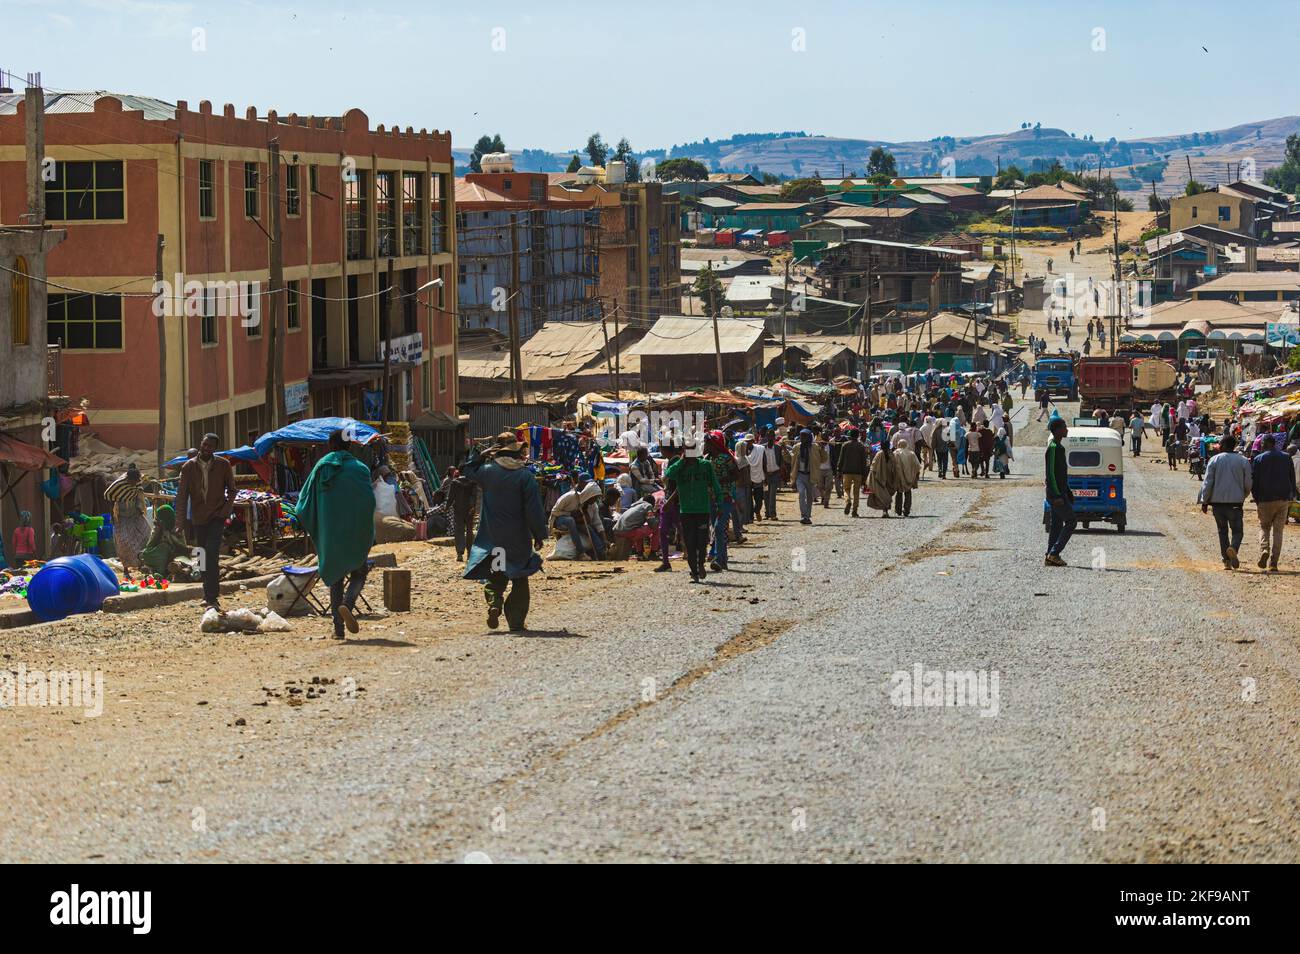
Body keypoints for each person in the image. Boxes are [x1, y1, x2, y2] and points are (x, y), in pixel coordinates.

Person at [296, 430, 377, 638]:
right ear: (350, 446)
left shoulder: (322, 468)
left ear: (330, 445)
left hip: (331, 533)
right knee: (359, 572)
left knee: (335, 578)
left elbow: (303, 503)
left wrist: (317, 523)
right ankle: (348, 605)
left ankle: (338, 630)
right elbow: (369, 502)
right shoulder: (361, 469)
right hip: (355, 531)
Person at [462, 432, 547, 630]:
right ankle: (516, 621)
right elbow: (533, 509)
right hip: (518, 539)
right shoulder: (525, 476)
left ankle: (494, 604)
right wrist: (539, 535)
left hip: (493, 538)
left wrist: (481, 454)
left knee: (497, 573)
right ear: (517, 454)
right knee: (519, 577)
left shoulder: (487, 471)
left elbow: (468, 470)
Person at [175, 433, 238, 610]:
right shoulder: (188, 467)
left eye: (210, 446)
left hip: (216, 517)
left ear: (215, 448)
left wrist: (224, 512)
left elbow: (232, 490)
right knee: (201, 556)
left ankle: (212, 597)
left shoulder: (223, 465)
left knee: (211, 555)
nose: (206, 448)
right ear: (200, 444)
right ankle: (206, 592)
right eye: (204, 444)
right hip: (198, 518)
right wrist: (179, 521)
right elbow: (181, 496)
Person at [664, 439, 722, 583]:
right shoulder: (679, 467)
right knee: (689, 543)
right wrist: (682, 461)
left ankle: (700, 564)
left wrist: (720, 503)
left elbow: (715, 484)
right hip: (686, 510)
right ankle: (694, 571)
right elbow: (669, 474)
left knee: (701, 542)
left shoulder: (705, 465)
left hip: (702, 509)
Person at [1199, 435, 1252, 571]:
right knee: (1238, 531)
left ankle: (1226, 561)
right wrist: (1242, 496)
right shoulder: (1243, 461)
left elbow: (1207, 482)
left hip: (1217, 504)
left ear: (1224, 445)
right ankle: (1233, 548)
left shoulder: (1214, 460)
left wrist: (1204, 501)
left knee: (1222, 531)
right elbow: (1248, 484)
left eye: (1220, 444)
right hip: (1235, 503)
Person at [1250, 435, 1296, 571]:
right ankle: (1274, 562)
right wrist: (1291, 495)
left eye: (1262, 443)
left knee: (1264, 528)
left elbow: (1255, 481)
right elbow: (1291, 478)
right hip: (1282, 500)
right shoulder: (1286, 457)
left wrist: (1256, 498)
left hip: (1264, 499)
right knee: (1278, 531)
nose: (1261, 445)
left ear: (1266, 443)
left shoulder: (1259, 459)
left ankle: (1264, 550)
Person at [104, 462, 152, 580]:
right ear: (128, 479)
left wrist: (140, 508)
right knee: (123, 542)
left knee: (146, 534)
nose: (135, 484)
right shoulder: (119, 484)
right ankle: (126, 569)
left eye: (136, 482)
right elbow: (108, 496)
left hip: (135, 512)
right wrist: (114, 516)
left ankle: (143, 564)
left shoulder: (138, 482)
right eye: (133, 482)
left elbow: (139, 494)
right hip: (121, 516)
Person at [705, 430, 740, 569]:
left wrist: (718, 481)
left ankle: (719, 559)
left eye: (707, 443)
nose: (705, 445)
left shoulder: (726, 458)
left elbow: (737, 475)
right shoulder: (706, 459)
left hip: (725, 497)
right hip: (711, 498)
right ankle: (722, 559)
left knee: (719, 527)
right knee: (716, 528)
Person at [1044, 417, 1075, 566]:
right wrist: (1056, 495)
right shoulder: (1053, 448)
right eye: (1064, 427)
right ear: (1057, 430)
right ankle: (1055, 553)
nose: (1066, 430)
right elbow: (1050, 474)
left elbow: (1061, 474)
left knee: (1056, 525)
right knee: (1071, 521)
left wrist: (1067, 491)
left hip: (1060, 493)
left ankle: (1049, 555)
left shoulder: (1060, 447)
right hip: (1055, 495)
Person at [139, 503, 188, 580]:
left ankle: (163, 572)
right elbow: (149, 546)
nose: (157, 520)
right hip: (159, 556)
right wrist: (158, 532)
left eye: (159, 519)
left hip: (175, 556)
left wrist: (169, 537)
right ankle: (154, 570)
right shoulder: (157, 527)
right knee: (143, 554)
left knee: (165, 548)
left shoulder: (178, 528)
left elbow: (182, 547)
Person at [446, 467, 478, 561]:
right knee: (469, 531)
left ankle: (459, 553)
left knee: (459, 530)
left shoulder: (455, 482)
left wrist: (447, 507)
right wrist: (473, 506)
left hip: (458, 509)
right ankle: (469, 553)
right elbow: (474, 495)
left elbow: (451, 496)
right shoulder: (472, 482)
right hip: (469, 510)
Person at [839, 428, 869, 516]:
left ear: (850, 435)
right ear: (858, 436)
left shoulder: (845, 445)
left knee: (846, 489)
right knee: (856, 492)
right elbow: (864, 461)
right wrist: (865, 474)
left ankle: (848, 501)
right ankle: (854, 511)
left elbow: (841, 459)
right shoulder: (861, 446)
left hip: (846, 471)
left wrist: (838, 470)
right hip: (858, 472)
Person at [893, 438, 920, 516]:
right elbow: (917, 465)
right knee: (908, 493)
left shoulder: (895, 453)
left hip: (899, 477)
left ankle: (898, 510)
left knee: (899, 492)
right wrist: (916, 475)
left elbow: (893, 466)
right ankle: (907, 510)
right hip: (910, 477)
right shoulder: (911, 454)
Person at [761, 431, 782, 519]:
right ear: (766, 437)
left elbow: (781, 461)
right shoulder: (762, 448)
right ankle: (767, 513)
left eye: (772, 436)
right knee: (766, 495)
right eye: (769, 436)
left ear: (774, 437)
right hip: (765, 475)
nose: (770, 438)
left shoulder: (778, 448)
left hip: (775, 474)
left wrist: (780, 474)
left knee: (772, 495)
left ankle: (773, 514)